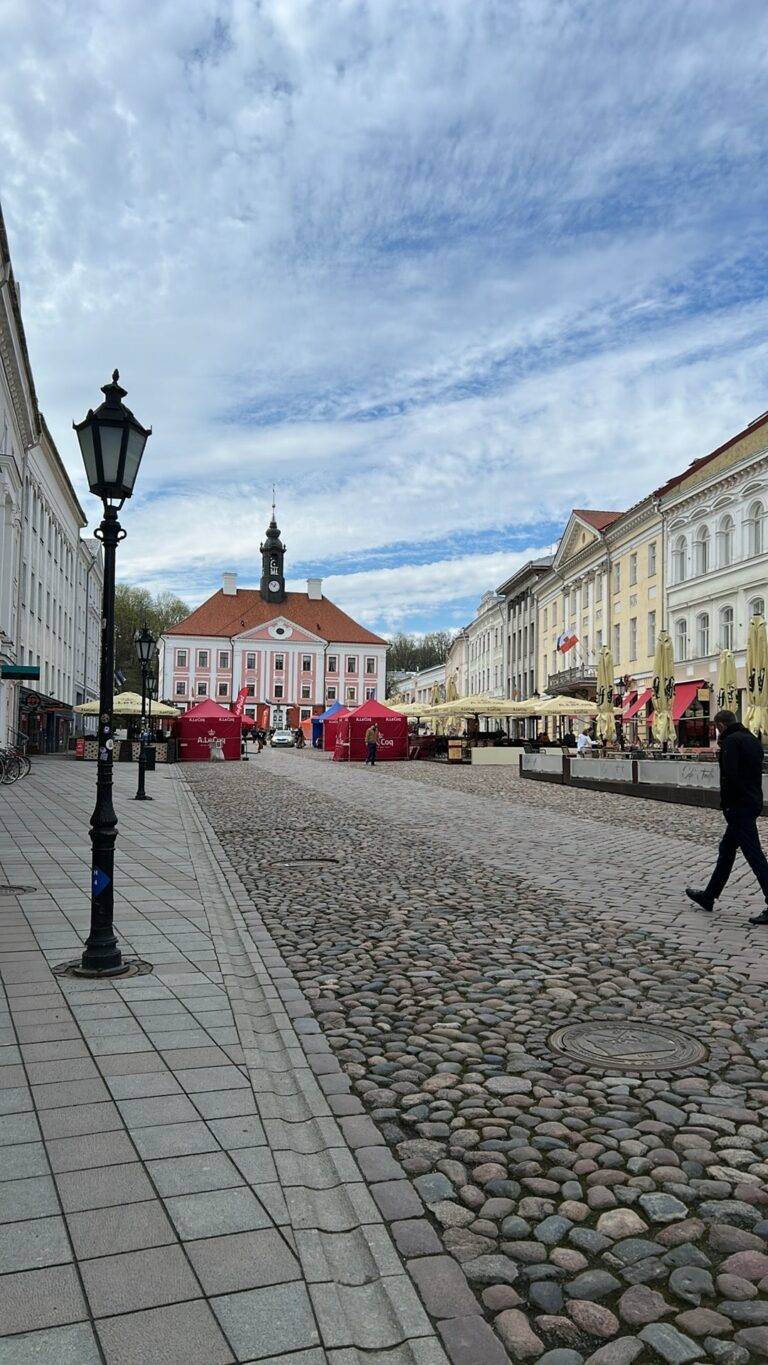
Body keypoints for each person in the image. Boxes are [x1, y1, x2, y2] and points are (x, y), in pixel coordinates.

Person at [686, 709, 768, 925]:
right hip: (753, 800)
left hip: (738, 805)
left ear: (721, 726)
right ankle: (709, 895)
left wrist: (728, 804)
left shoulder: (731, 742)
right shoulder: (752, 739)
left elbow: (729, 775)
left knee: (754, 854)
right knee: (727, 850)